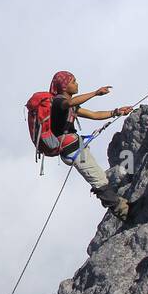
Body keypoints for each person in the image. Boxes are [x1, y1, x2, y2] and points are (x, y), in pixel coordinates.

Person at [42, 70, 133, 220]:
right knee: (99, 181)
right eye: (73, 82)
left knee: (99, 177)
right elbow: (71, 102)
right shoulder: (58, 102)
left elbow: (94, 115)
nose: (77, 84)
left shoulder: (69, 106)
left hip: (75, 147)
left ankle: (125, 207)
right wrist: (95, 93)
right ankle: (124, 212)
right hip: (72, 150)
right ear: (64, 87)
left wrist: (117, 112)